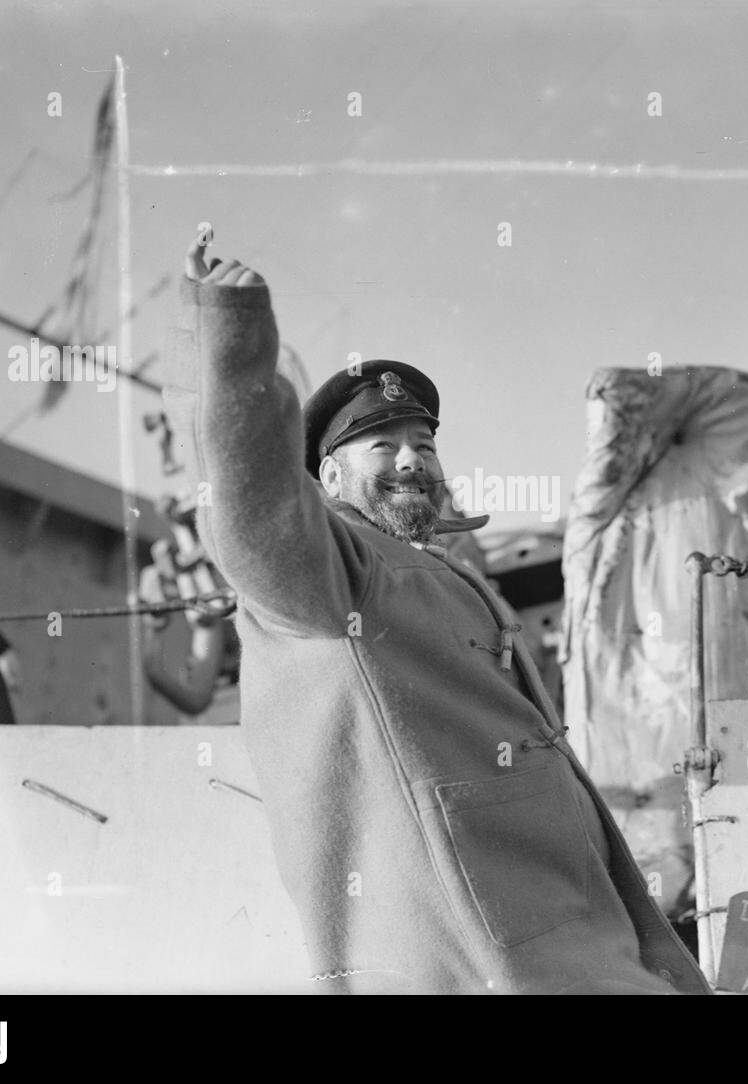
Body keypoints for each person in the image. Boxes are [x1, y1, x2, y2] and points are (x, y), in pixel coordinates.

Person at [162, 236, 710, 994]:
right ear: (327, 476)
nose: (411, 458)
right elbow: (251, 502)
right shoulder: (331, 575)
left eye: (422, 442)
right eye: (381, 446)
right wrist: (223, 327)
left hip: (579, 936)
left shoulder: (444, 572)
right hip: (483, 962)